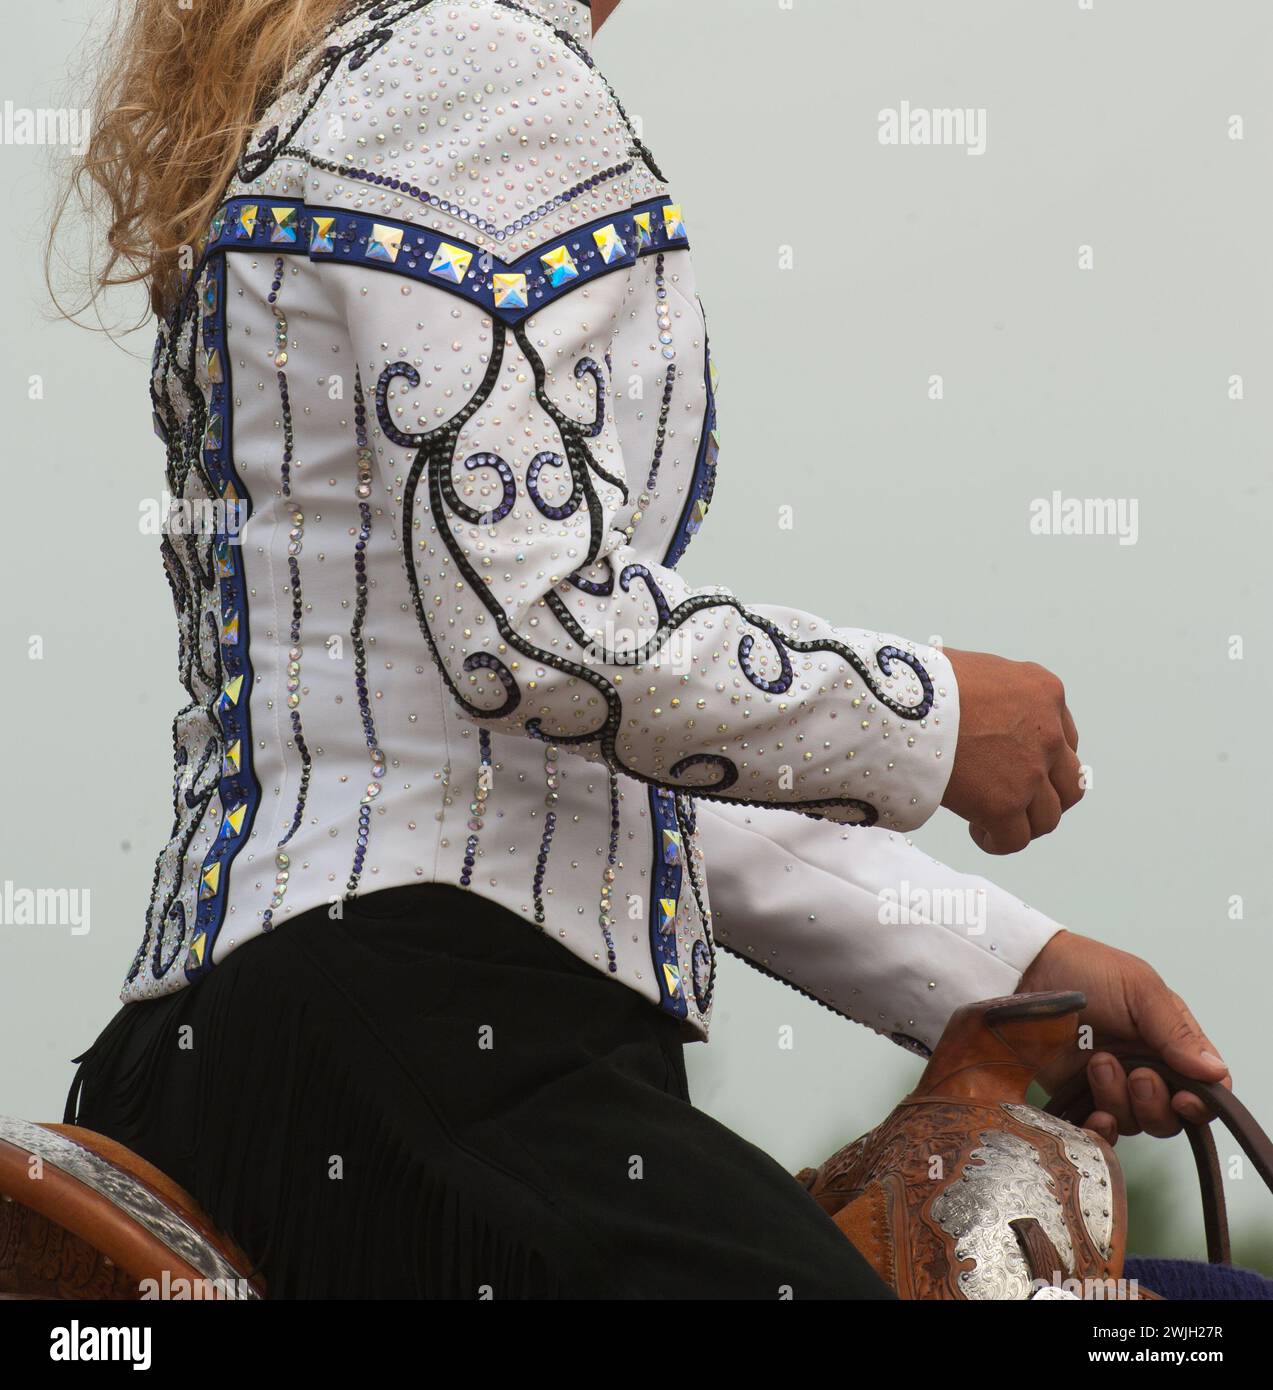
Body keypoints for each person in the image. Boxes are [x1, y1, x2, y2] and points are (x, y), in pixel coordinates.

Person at [52, 0, 1228, 1298]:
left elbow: (543, 757)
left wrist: (1016, 963)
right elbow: (540, 629)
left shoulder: (356, 75)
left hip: (290, 1049)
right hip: (429, 1045)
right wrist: (935, 717)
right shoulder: (476, 62)